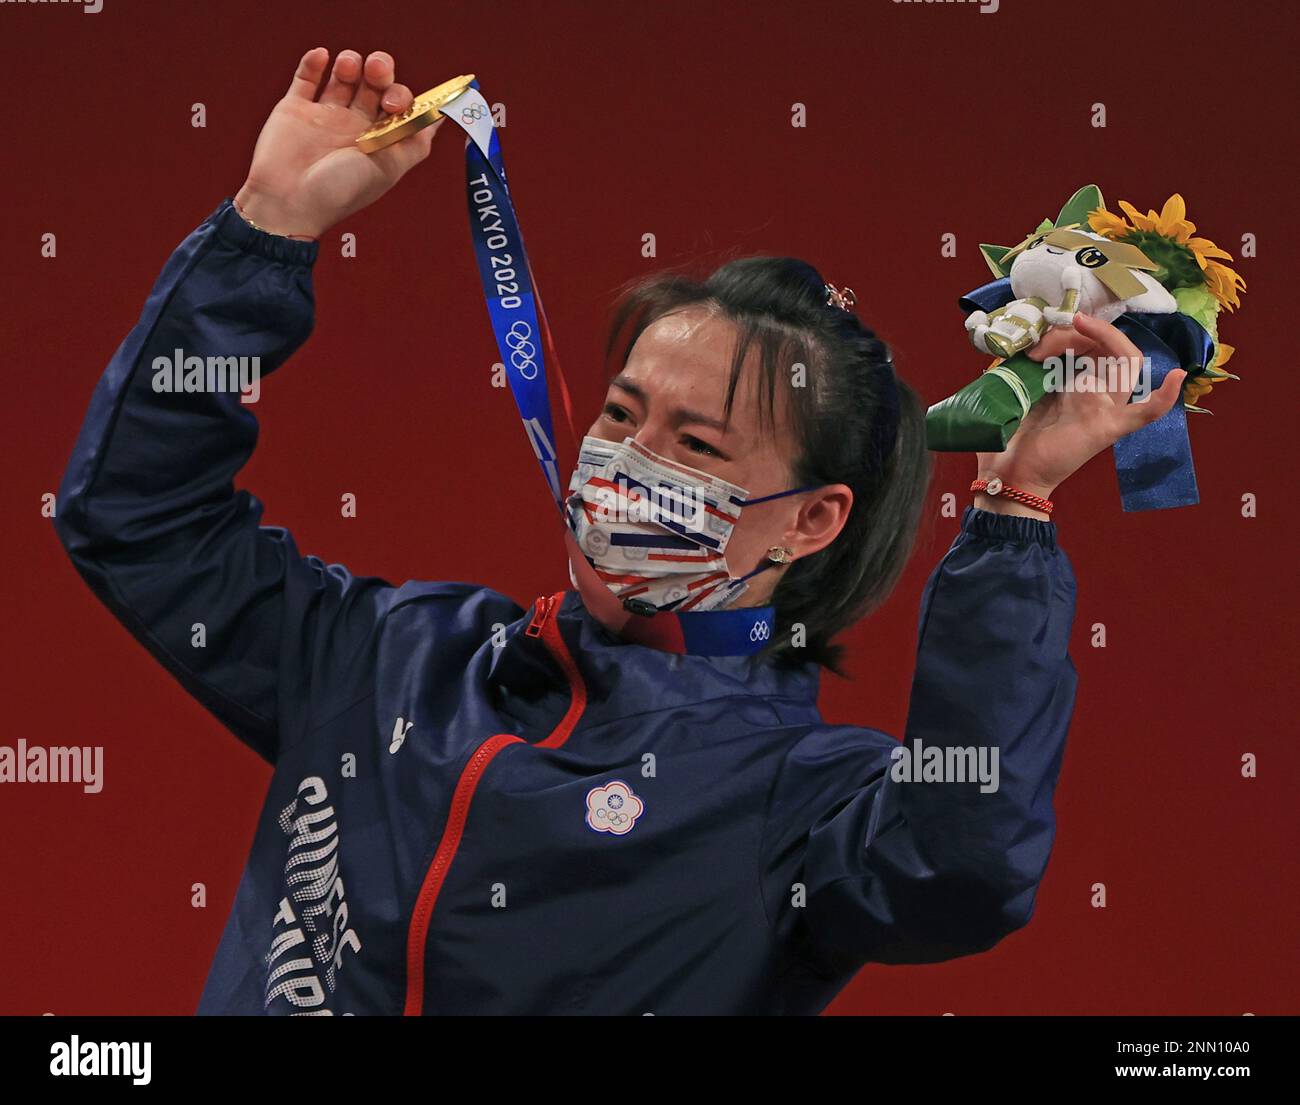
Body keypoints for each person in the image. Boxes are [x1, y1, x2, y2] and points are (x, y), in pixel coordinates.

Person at [54, 48, 1186, 1016]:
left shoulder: (798, 800)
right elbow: (138, 518)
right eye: (621, 415)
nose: (629, 463)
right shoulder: (392, 657)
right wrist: (269, 230)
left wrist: (1013, 508)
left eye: (695, 444)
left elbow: (966, 863)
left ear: (810, 520)